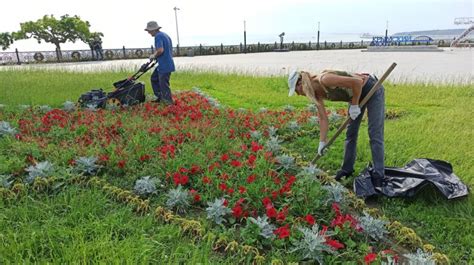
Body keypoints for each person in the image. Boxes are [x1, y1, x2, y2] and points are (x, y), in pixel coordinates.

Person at [288, 69, 385, 188]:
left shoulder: (325, 79)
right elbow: (323, 118)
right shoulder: (316, 94)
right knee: (351, 133)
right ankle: (346, 170)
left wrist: (354, 106)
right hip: (355, 94)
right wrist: (322, 142)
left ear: (300, 83)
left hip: (371, 88)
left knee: (374, 133)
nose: (298, 94)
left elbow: (357, 82)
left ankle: (379, 175)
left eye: (296, 90)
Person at [144, 21, 175, 105]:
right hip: (165, 63)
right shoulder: (165, 35)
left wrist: (153, 56)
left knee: (163, 84)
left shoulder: (158, 36)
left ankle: (168, 102)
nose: (149, 33)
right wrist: (155, 57)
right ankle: (160, 97)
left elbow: (160, 50)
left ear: (154, 30)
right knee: (154, 78)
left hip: (165, 65)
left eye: (149, 31)